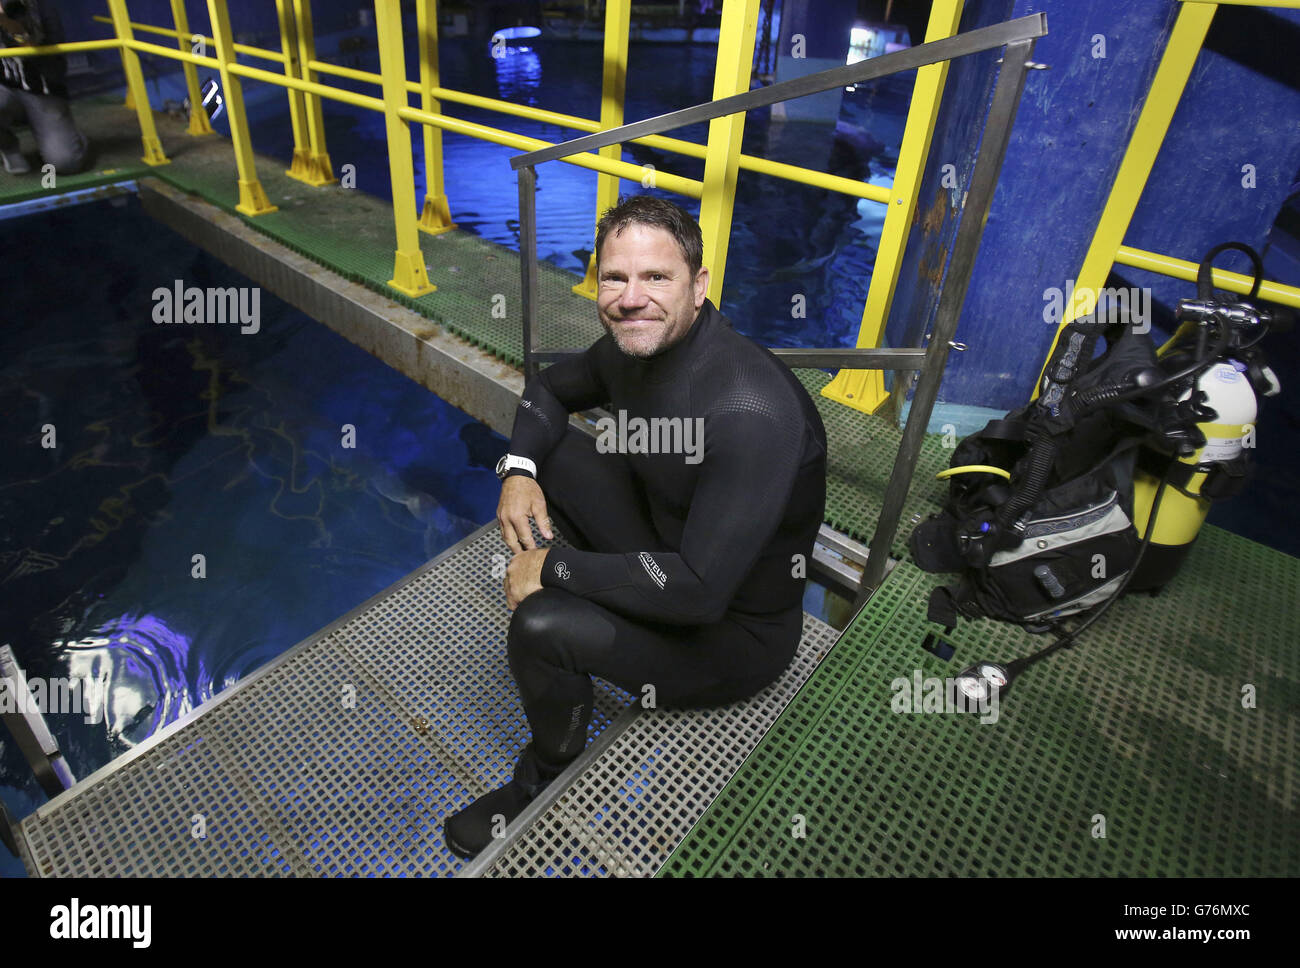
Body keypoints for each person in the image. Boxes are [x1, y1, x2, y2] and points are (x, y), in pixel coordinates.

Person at [444, 195, 828, 859]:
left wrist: (555, 569)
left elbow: (701, 592)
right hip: (666, 549)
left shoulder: (748, 409)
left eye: (657, 278)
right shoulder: (632, 348)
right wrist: (518, 471)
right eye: (615, 277)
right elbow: (548, 390)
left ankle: (544, 777)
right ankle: (591, 604)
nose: (630, 298)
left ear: (700, 287)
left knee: (541, 629)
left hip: (729, 630)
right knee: (555, 454)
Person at [0, 0, 90, 175]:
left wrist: (7, 22)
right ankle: (8, 147)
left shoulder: (34, 5)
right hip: (4, 89)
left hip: (42, 88)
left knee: (66, 163)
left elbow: (34, 47)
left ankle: (73, 140)